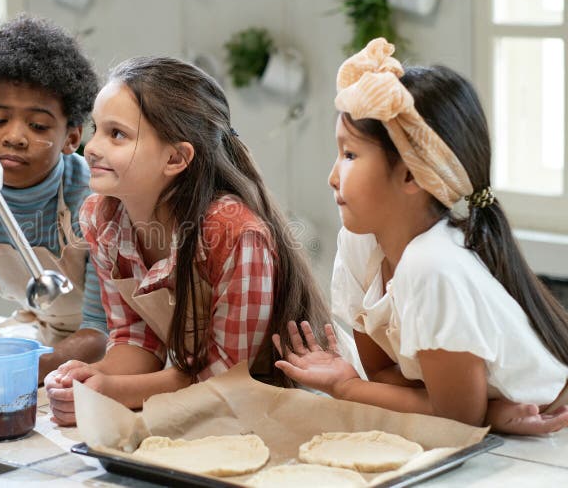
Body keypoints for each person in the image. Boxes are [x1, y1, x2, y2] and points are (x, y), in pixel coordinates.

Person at [274, 38, 568, 435]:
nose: (332, 176)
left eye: (350, 155)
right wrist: (485, 412)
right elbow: (386, 376)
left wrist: (344, 386)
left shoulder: (432, 265)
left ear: (412, 174)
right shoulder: (360, 243)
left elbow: (454, 419)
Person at [45, 56, 331, 425]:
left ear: (176, 158)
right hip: (193, 405)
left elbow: (227, 379)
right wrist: (90, 380)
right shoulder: (103, 218)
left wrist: (112, 391)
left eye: (117, 134)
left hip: (269, 409)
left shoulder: (234, 235)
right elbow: (136, 338)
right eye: (96, 128)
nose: (92, 148)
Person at [0, 15, 108, 382]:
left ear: (72, 138)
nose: (14, 137)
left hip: (113, 350)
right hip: (50, 344)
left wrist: (15, 370)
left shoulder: (97, 197)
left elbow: (100, 330)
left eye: (38, 126)